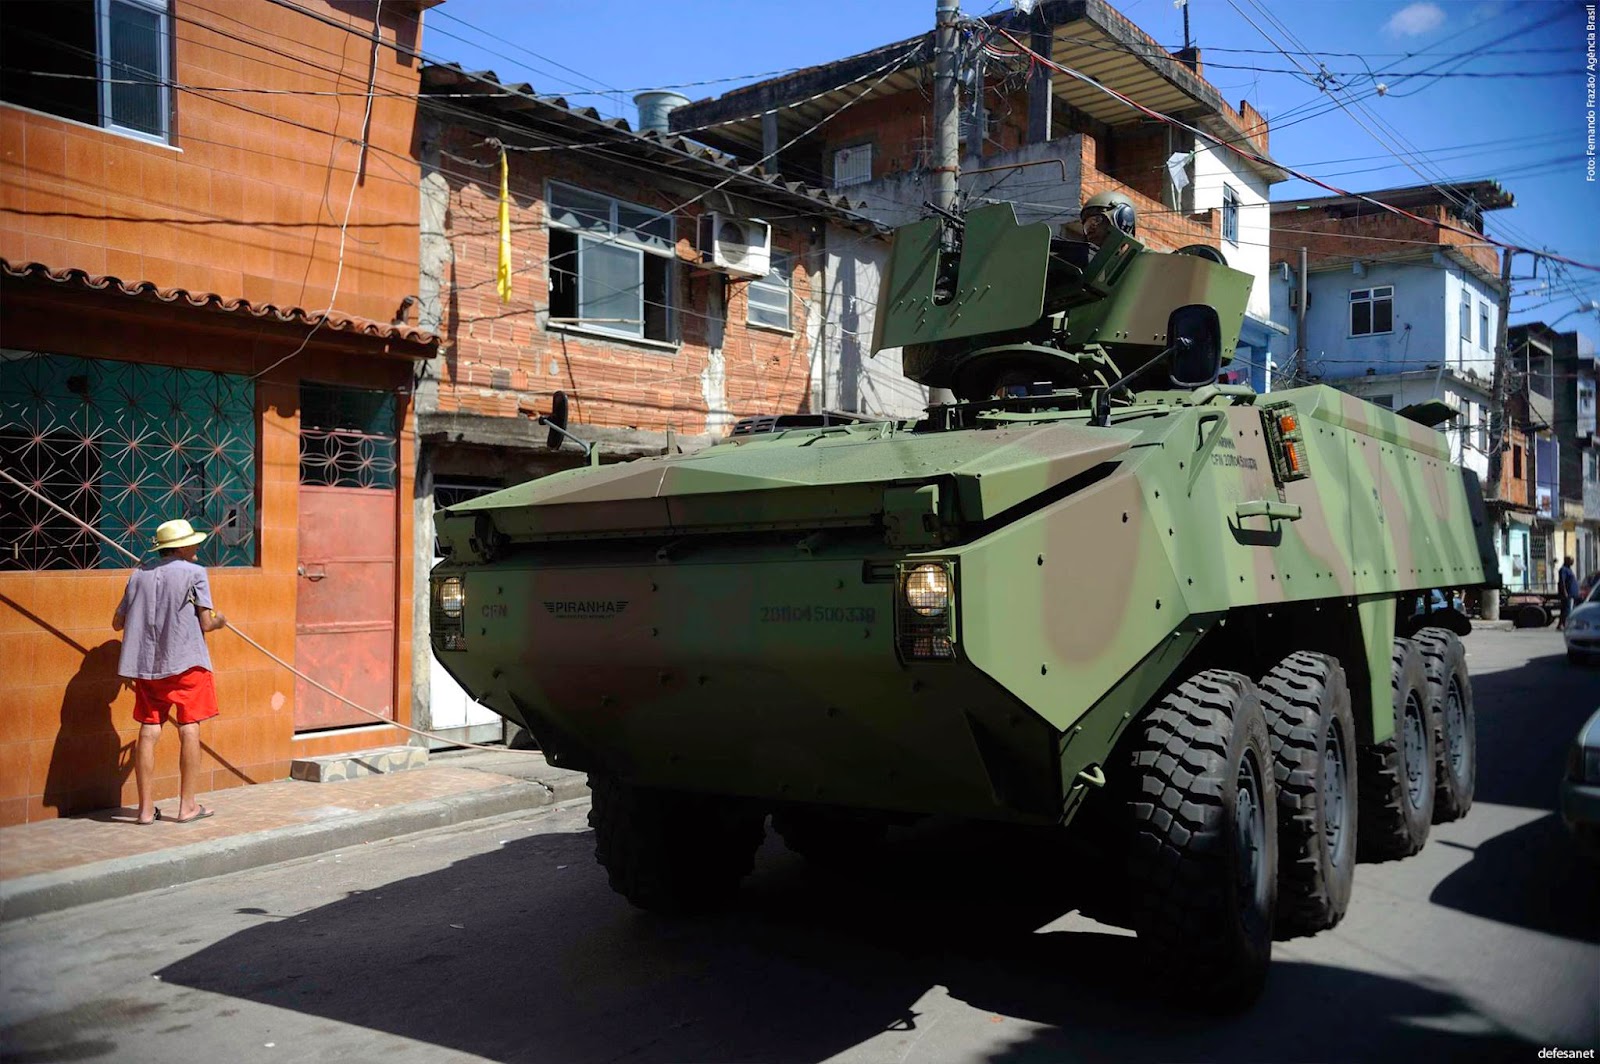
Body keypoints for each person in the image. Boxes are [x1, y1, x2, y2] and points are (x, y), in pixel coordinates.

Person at [113, 518, 227, 825]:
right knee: (189, 727)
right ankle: (187, 806)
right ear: (181, 547)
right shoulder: (195, 573)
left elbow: (117, 623)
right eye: (193, 542)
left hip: (147, 668)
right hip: (187, 665)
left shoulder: (138, 575)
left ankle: (145, 810)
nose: (197, 546)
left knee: (149, 729)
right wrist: (221, 621)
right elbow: (207, 623)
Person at [1559, 556, 1579, 629]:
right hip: (1568, 593)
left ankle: (1561, 624)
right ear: (1566, 561)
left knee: (1566, 609)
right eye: (1571, 560)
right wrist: (1565, 592)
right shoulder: (1563, 569)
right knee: (1567, 609)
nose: (1572, 562)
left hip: (1572, 594)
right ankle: (1565, 624)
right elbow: (1562, 581)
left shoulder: (1569, 569)